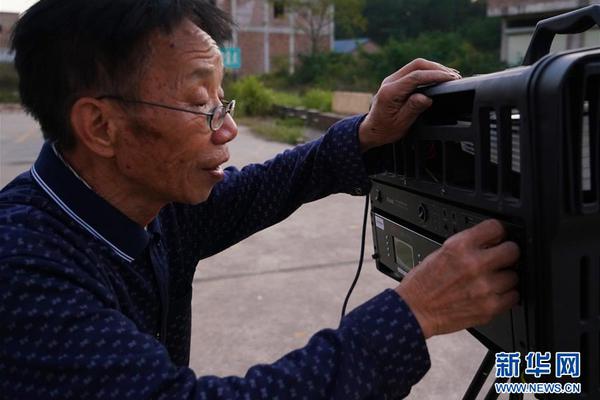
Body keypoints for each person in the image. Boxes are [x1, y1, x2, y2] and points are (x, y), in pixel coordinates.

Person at [0, 0, 519, 399]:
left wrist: (364, 134)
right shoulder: (24, 272)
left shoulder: (140, 206)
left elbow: (257, 189)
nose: (227, 129)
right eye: (200, 104)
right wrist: (414, 313)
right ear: (100, 126)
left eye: (222, 99)